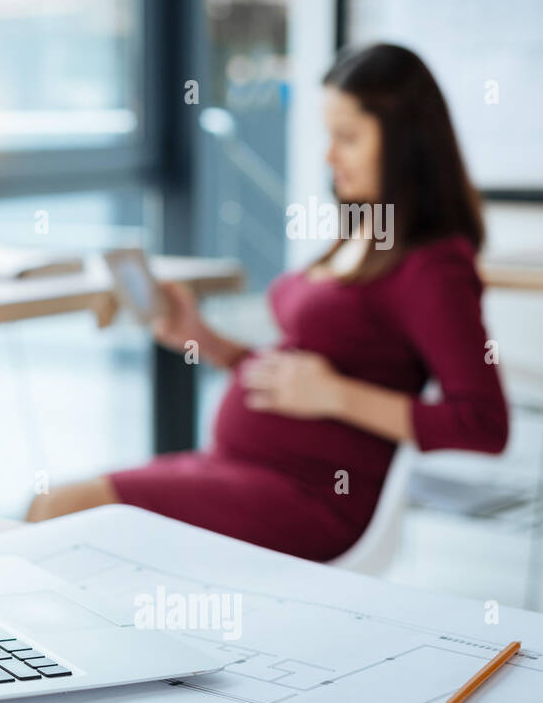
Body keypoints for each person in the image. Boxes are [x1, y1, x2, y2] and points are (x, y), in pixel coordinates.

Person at [26, 43, 509, 562]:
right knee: (49, 506)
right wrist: (206, 341)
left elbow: (484, 423)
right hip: (238, 468)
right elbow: (295, 375)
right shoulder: (362, 230)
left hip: (315, 498)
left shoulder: (433, 266)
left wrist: (336, 395)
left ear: (406, 143)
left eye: (347, 138)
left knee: (64, 509)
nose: (328, 156)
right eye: (329, 136)